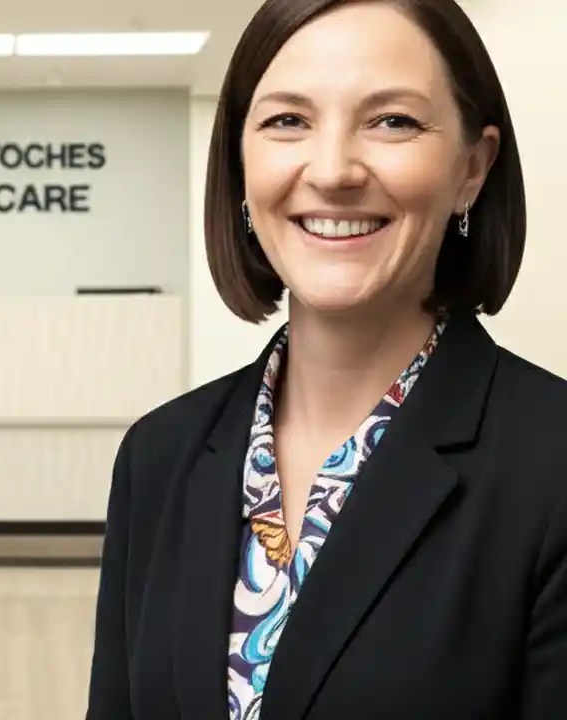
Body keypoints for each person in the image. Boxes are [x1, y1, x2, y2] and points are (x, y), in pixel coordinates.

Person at [86, 0, 567, 717]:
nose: (334, 169)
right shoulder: (160, 455)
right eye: (288, 121)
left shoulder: (552, 464)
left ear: (473, 167)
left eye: (392, 120)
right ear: (242, 165)